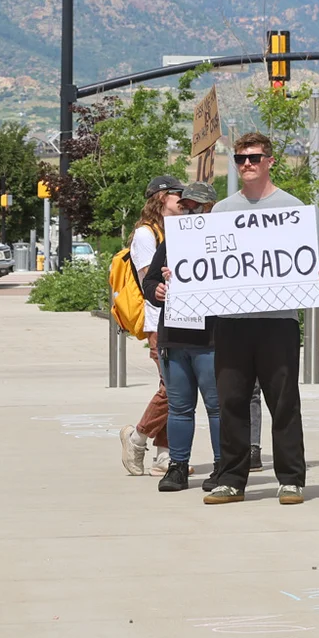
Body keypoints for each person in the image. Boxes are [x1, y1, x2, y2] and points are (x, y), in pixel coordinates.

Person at [203, 132, 312, 506]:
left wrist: (311, 274)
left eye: (253, 157)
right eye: (240, 158)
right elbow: (206, 263)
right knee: (231, 401)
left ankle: (291, 479)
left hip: (277, 322)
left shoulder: (292, 208)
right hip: (231, 321)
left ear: (270, 161)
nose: (246, 164)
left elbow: (303, 259)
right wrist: (181, 277)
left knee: (283, 402)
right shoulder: (221, 211)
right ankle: (231, 480)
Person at [149, 181, 221, 492]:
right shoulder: (171, 242)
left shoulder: (224, 242)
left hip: (212, 340)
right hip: (175, 337)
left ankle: (223, 466)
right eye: (186, 206)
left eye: (197, 206)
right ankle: (177, 467)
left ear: (212, 208)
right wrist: (157, 290)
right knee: (179, 407)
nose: (190, 211)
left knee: (217, 406)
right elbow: (150, 281)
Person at [119, 175, 182, 477]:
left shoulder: (177, 229)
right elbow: (149, 280)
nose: (183, 200)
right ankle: (137, 437)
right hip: (160, 321)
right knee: (173, 389)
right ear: (161, 197)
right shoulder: (146, 235)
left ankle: (164, 455)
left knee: (174, 388)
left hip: (183, 319)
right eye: (177, 194)